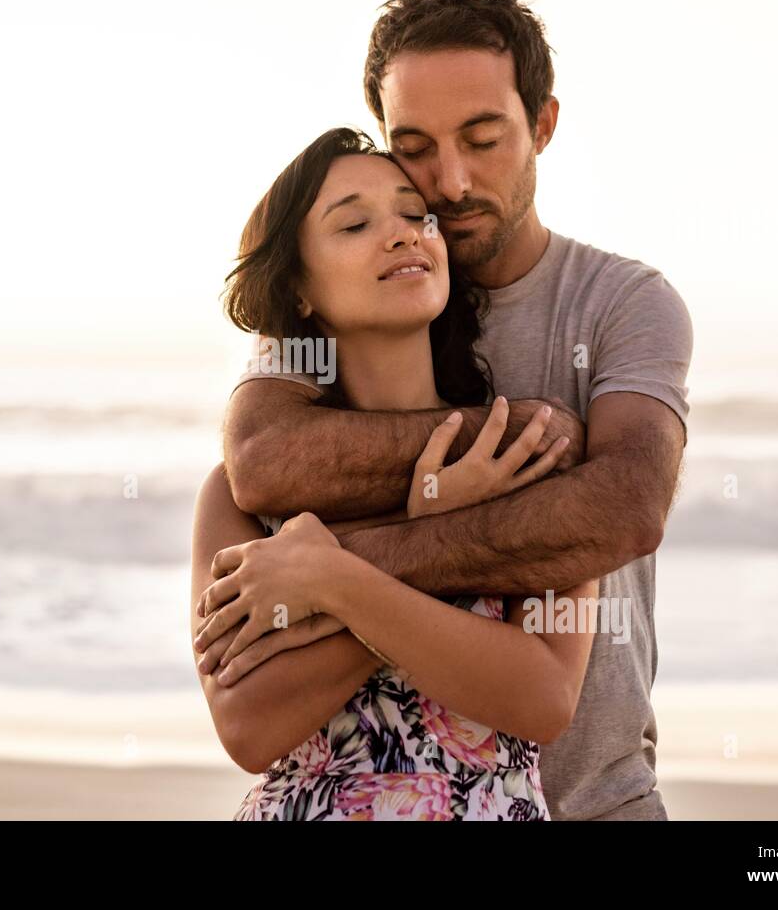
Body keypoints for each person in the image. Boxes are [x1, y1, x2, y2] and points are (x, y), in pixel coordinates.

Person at [201, 0, 693, 821]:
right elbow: (259, 461)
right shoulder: (322, 322)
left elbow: (626, 506)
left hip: (598, 795)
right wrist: (509, 449)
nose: (448, 183)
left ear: (542, 124)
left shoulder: (619, 303)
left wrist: (339, 573)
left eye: (483, 136)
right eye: (416, 146)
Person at [191, 127, 596, 819]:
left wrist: (337, 578)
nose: (404, 234)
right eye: (354, 222)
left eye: (417, 215)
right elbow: (249, 725)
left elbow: (543, 698)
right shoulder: (237, 496)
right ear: (297, 290)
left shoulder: (517, 457)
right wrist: (428, 532)